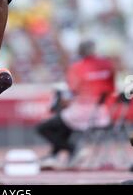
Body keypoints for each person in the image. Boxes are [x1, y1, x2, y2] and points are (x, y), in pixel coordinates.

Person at [37, 40, 115, 168]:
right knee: (63, 125)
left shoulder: (77, 67)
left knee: (44, 128)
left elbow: (72, 91)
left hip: (81, 113)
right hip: (102, 114)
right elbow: (111, 89)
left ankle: (71, 149)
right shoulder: (107, 65)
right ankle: (56, 155)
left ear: (80, 52)